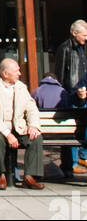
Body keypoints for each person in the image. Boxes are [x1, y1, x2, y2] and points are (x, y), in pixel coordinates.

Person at [0, 56, 45, 189]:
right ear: (5, 74)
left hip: (19, 127)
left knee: (36, 137)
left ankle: (30, 177)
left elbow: (31, 108)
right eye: (16, 71)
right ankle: (0, 175)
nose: (20, 74)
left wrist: (33, 125)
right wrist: (8, 134)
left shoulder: (21, 87)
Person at [55, 19, 87, 173]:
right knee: (71, 128)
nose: (86, 38)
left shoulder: (84, 47)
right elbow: (60, 74)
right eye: (84, 35)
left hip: (84, 93)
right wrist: (64, 93)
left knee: (83, 125)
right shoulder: (64, 48)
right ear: (74, 33)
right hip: (71, 93)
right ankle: (72, 163)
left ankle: (83, 156)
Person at [33, 69, 78, 177]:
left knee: (35, 140)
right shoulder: (63, 91)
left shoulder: (36, 91)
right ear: (56, 80)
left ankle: (36, 171)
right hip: (63, 132)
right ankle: (68, 169)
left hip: (42, 132)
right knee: (66, 141)